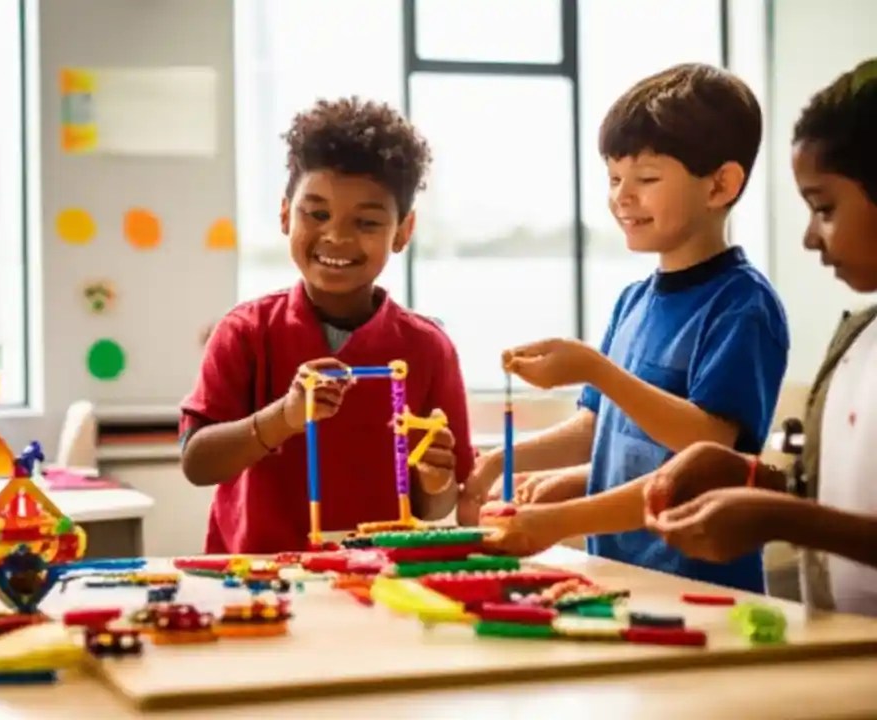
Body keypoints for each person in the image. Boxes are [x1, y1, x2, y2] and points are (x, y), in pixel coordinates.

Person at [464, 63, 790, 593]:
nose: (622, 197)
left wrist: (595, 368)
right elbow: (598, 430)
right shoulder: (632, 301)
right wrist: (505, 462)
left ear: (721, 185)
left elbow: (706, 448)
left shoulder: (742, 306)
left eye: (646, 179)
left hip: (702, 587)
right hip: (620, 577)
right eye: (614, 179)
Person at [180, 97, 474, 553]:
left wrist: (437, 483)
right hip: (259, 582)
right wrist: (285, 417)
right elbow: (197, 462)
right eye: (316, 214)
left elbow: (435, 507)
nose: (336, 236)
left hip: (377, 582)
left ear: (403, 231)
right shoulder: (244, 332)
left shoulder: (428, 348)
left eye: (367, 222)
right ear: (285, 214)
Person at [642, 59, 877, 616]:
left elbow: (814, 519)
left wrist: (777, 518)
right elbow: (833, 495)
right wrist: (750, 476)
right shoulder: (857, 344)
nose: (808, 239)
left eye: (824, 208)